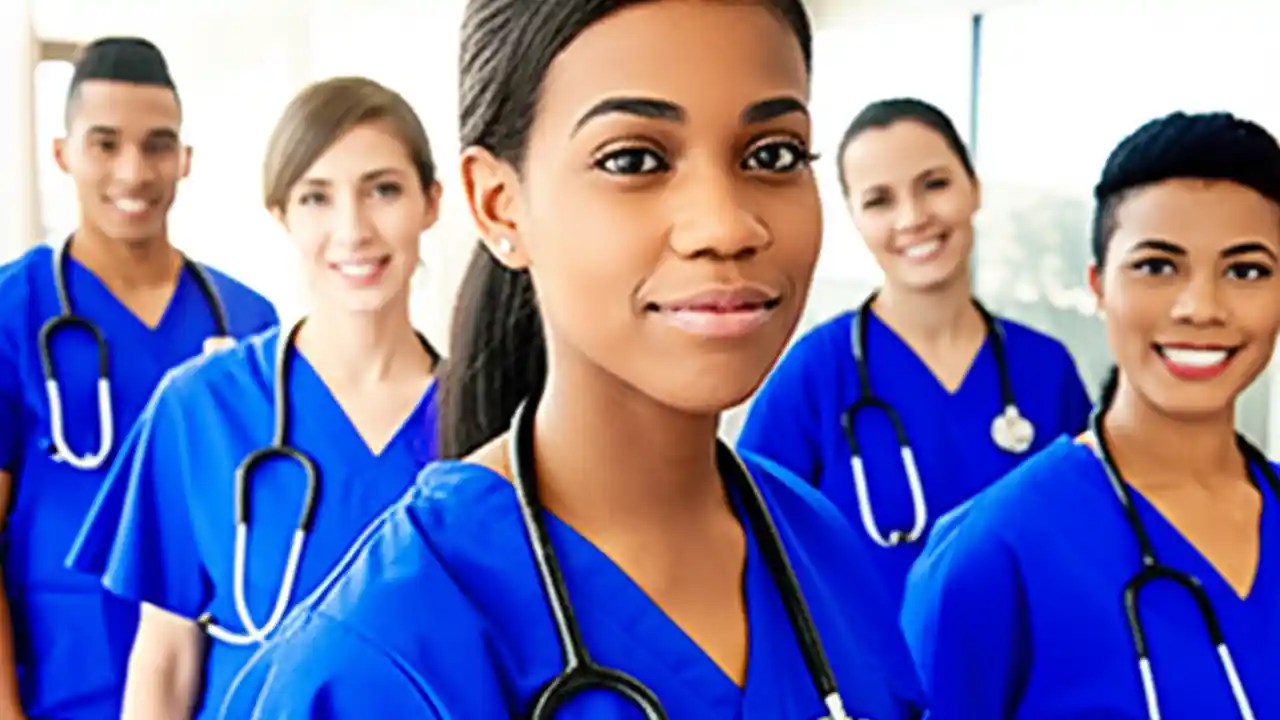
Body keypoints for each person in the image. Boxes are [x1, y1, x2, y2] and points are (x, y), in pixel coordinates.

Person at [218, 1, 926, 718]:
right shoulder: (376, 663)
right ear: (499, 206)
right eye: (633, 160)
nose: (726, 226)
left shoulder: (818, 549)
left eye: (772, 155)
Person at [66, 76, 444, 720]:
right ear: (281, 216)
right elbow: (165, 662)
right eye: (316, 197)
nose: (353, 229)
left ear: (430, 203)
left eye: (383, 190)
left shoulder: (488, 420)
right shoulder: (202, 408)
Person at [900, 111, 1280, 718]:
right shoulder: (992, 549)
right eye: (1157, 266)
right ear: (1099, 285)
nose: (1201, 307)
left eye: (1246, 270)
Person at [0, 37, 277, 719]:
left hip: (212, 689)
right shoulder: (15, 309)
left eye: (157, 145)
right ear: (63, 153)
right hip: (61, 693)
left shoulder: (248, 320)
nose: (134, 171)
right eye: (105, 144)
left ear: (185, 159)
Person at [737, 97, 1092, 608]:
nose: (913, 217)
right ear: (855, 218)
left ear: (974, 187)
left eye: (935, 184)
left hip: (1025, 658)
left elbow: (1082, 539)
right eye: (879, 201)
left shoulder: (1045, 369)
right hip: (867, 661)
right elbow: (750, 548)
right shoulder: (815, 375)